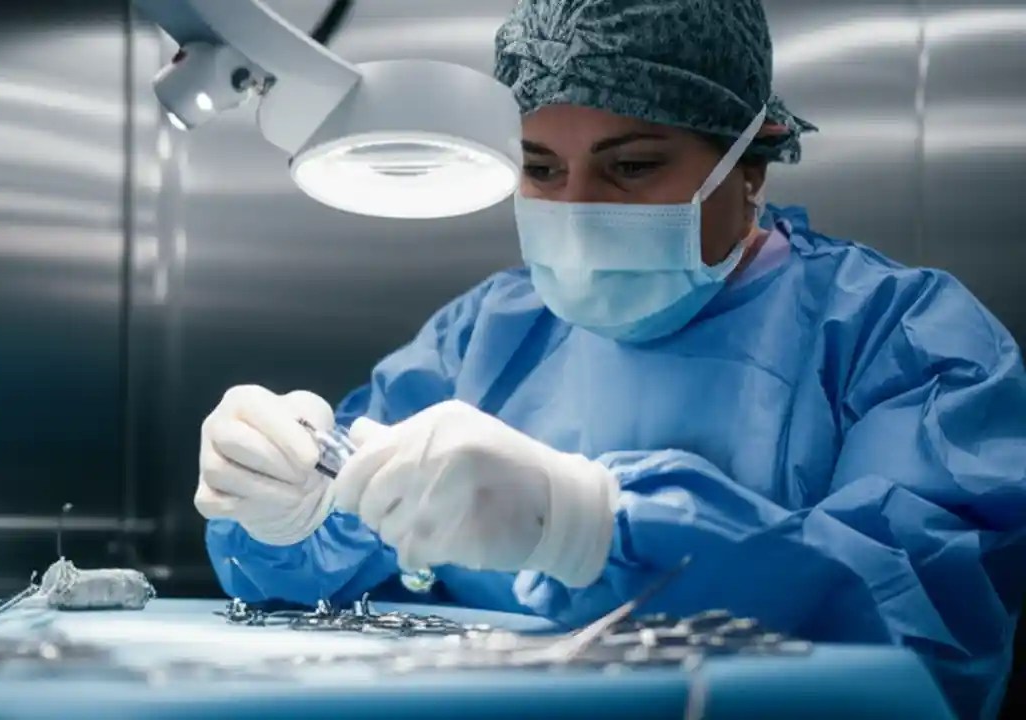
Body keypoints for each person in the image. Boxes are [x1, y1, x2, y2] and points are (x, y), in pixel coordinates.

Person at [193, 1, 1026, 717]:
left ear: (751, 162)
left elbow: (927, 644)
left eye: (631, 167)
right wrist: (282, 509)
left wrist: (596, 527)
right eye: (540, 168)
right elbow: (323, 558)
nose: (578, 210)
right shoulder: (488, 333)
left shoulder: (904, 340)